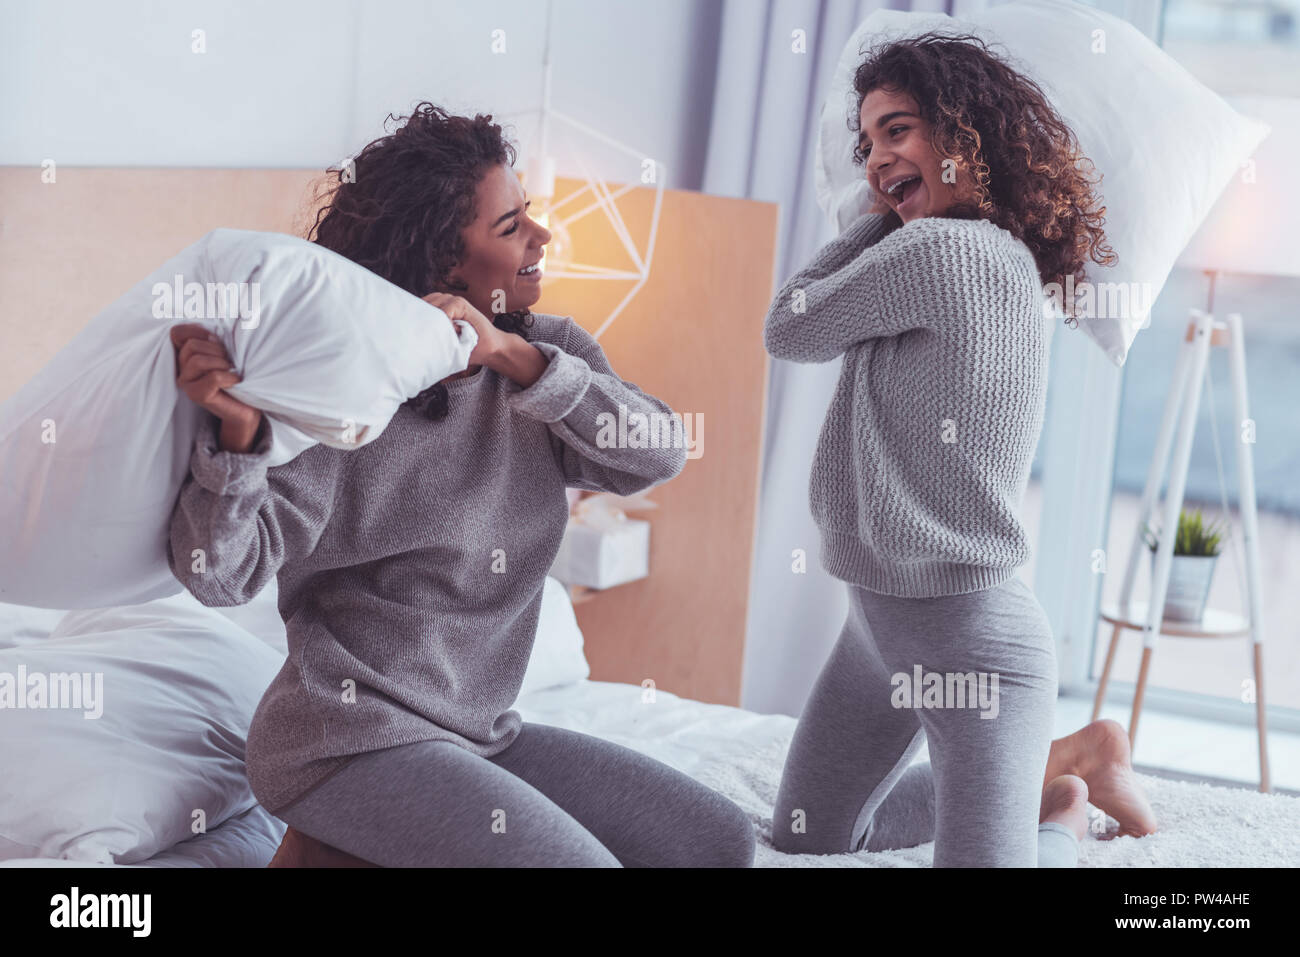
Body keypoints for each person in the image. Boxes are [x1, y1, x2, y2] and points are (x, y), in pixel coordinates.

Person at [168, 103, 755, 868]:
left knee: (716, 842)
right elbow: (223, 574)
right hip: (341, 744)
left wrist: (516, 360)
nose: (543, 239)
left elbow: (658, 453)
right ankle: (339, 830)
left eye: (529, 216)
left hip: (478, 734)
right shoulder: (347, 396)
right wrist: (237, 436)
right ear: (440, 259)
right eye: (511, 227)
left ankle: (340, 853)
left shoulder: (545, 357)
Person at [764, 31, 1152, 867]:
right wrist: (888, 209)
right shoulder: (985, 252)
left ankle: (1065, 812)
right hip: (878, 627)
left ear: (965, 134)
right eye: (866, 144)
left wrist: (870, 225)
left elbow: (789, 325)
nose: (875, 159)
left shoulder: (940, 251)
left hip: (972, 643)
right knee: (802, 839)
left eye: (898, 129)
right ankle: (1064, 765)